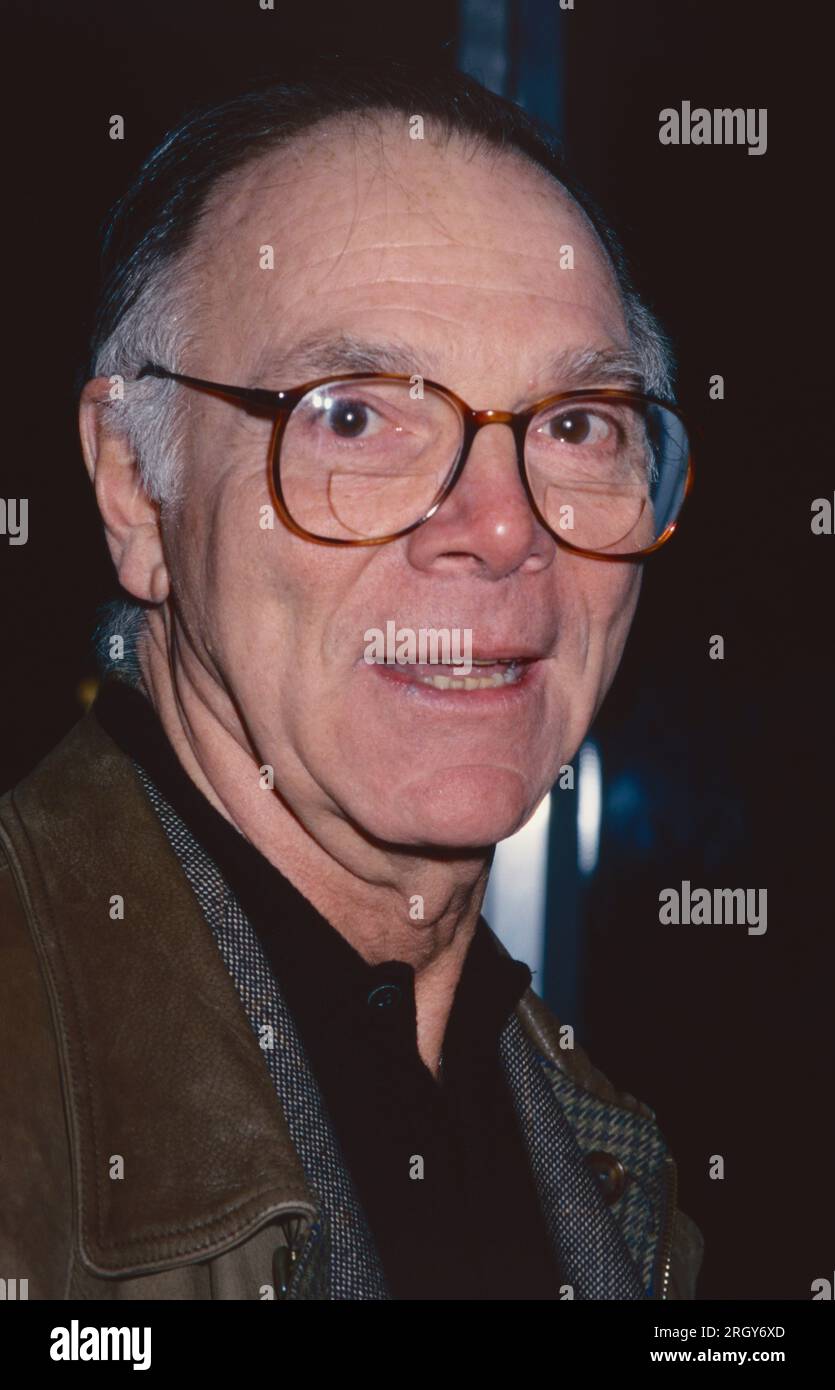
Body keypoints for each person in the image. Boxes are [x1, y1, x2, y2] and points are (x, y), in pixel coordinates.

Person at [0, 59, 702, 1300]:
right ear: (136, 491)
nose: (502, 526)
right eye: (354, 417)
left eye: (576, 424)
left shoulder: (609, 1159)